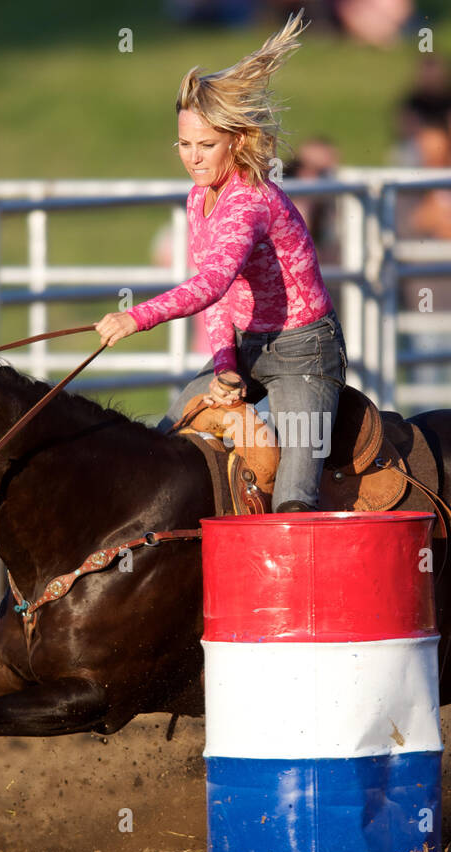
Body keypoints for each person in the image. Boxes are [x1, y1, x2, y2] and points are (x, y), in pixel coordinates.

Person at [95, 10, 346, 513]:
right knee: (169, 439)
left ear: (238, 140)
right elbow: (221, 297)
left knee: (294, 500)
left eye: (206, 145)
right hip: (249, 347)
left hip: (304, 353)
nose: (193, 157)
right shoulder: (199, 198)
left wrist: (135, 317)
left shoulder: (248, 201)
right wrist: (227, 366)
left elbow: (210, 284)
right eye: (184, 144)